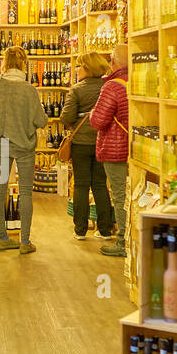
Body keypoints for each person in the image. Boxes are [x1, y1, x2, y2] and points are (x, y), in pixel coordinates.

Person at [0, 45, 46, 255]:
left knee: (0, 189)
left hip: (3, 143)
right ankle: (25, 241)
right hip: (25, 146)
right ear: (23, 63)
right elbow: (41, 120)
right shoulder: (29, 89)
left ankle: (3, 237)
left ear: (4, 62)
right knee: (25, 193)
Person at [60, 51, 114, 241]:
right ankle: (105, 230)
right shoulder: (108, 87)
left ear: (87, 68)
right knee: (100, 185)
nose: (78, 69)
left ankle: (80, 230)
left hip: (81, 143)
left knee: (81, 185)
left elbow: (66, 118)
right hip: (103, 141)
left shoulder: (76, 90)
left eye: (80, 65)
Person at [89, 41, 130, 257]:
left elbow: (98, 121)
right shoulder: (137, 81)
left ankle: (123, 241)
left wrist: (89, 115)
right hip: (136, 148)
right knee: (132, 195)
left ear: (112, 62)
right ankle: (132, 239)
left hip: (115, 149)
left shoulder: (112, 86)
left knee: (120, 195)